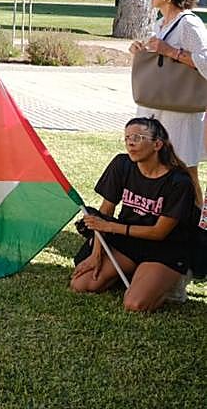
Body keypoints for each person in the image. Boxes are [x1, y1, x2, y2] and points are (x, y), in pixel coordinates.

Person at [70, 117, 198, 311]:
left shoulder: (179, 182)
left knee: (135, 303)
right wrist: (97, 253)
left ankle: (173, 281)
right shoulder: (122, 164)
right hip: (128, 241)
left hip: (166, 248)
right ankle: (137, 273)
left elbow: (159, 232)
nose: (130, 142)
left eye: (137, 137)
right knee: (81, 285)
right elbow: (104, 213)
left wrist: (111, 227)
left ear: (157, 144)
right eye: (127, 137)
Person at [129, 0, 207, 204]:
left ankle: (195, 225)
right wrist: (142, 54)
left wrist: (171, 51)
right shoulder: (160, 24)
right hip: (157, 106)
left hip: (181, 110)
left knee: (185, 168)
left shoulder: (189, 24)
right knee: (157, 166)